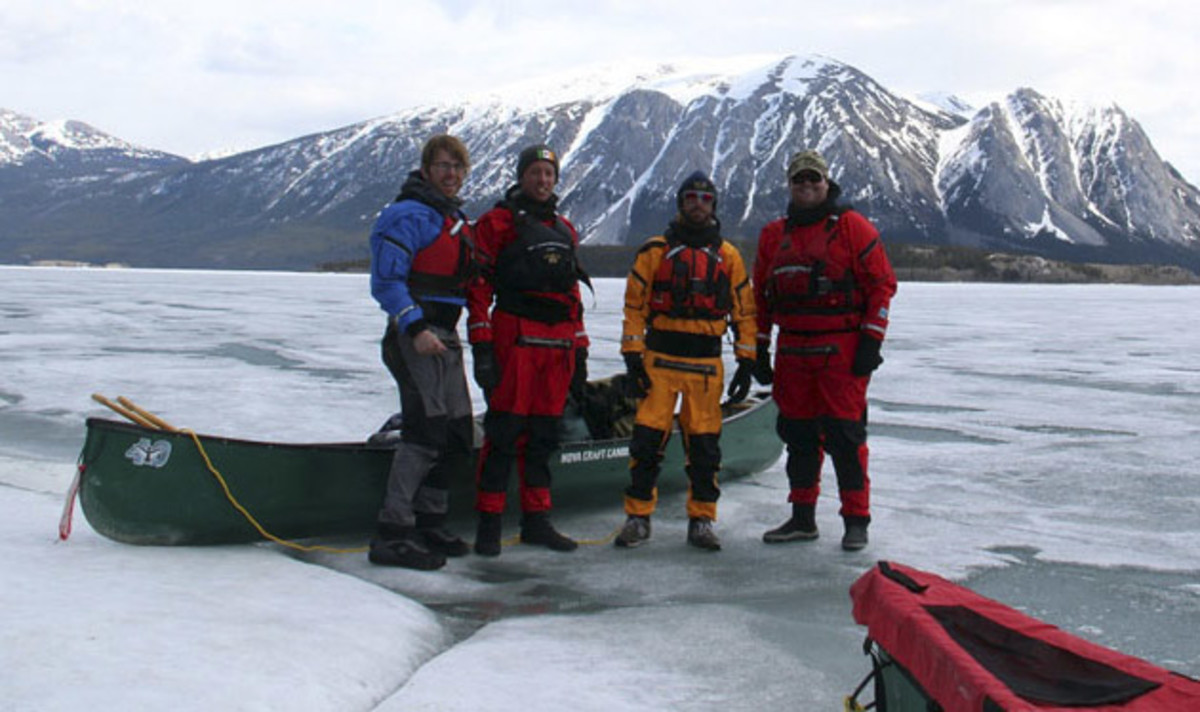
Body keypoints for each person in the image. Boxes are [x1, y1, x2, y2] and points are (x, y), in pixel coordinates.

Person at [752, 150, 897, 551]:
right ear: (790, 185)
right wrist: (759, 349)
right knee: (798, 437)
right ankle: (802, 518)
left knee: (845, 437)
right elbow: (760, 299)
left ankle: (856, 520)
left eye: (813, 179)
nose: (806, 185)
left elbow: (882, 285)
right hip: (793, 352)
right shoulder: (772, 236)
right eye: (799, 179)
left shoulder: (853, 228)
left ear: (826, 182)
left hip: (842, 349)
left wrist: (872, 340)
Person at [614, 171, 757, 552]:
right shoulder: (653, 251)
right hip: (659, 362)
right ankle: (638, 517)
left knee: (705, 450)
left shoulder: (728, 257)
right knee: (646, 444)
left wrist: (746, 361)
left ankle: (702, 520)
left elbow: (744, 311)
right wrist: (632, 358)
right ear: (680, 203)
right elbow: (634, 308)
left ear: (714, 206)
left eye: (705, 199)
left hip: (706, 368)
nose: (698, 204)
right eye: (691, 197)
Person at [466, 144, 589, 556]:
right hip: (514, 339)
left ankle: (537, 521)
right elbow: (478, 288)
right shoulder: (497, 223)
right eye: (535, 173)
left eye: (549, 175)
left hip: (556, 347)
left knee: (542, 437)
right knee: (503, 434)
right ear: (521, 176)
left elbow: (572, 293)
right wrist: (482, 345)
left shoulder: (566, 230)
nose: (542, 181)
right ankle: (489, 524)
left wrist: (580, 350)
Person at [366, 134, 476, 570]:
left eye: (458, 167)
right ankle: (392, 533)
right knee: (424, 432)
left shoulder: (451, 219)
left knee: (456, 433)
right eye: (443, 166)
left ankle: (431, 520)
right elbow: (387, 282)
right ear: (427, 169)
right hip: (415, 335)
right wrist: (413, 327)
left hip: (445, 336)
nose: (451, 174)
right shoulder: (406, 216)